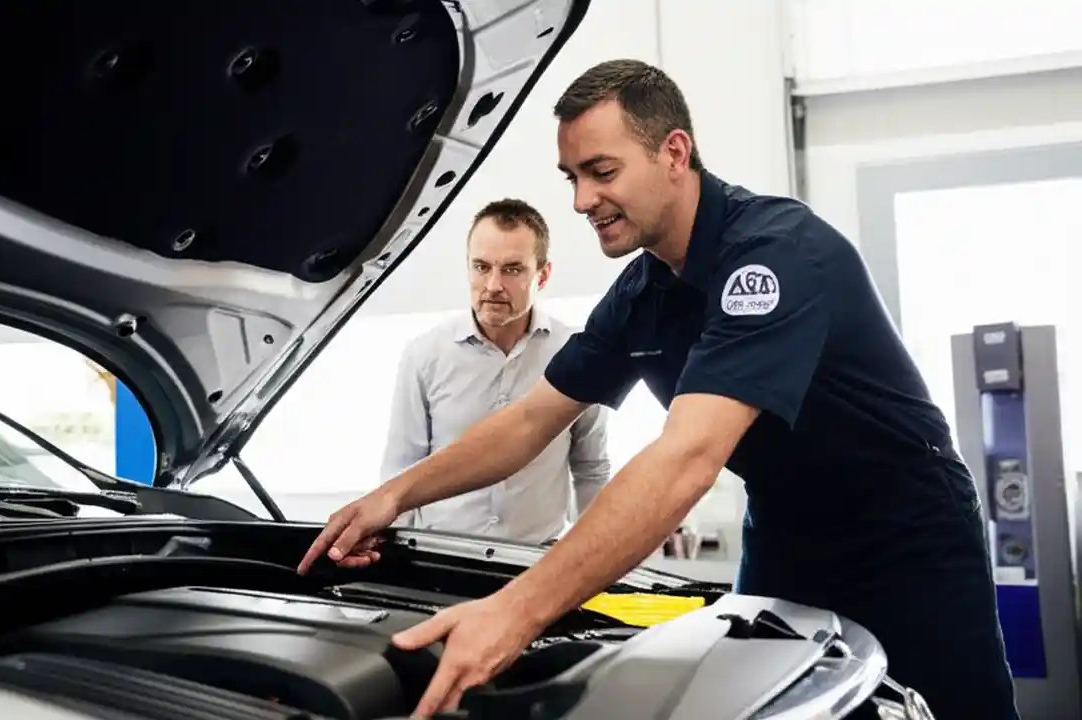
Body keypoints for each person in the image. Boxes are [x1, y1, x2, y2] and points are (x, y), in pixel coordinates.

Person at [298, 58, 1018, 720]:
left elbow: (687, 458)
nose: (582, 200)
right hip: (787, 526)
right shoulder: (640, 292)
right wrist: (392, 495)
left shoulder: (776, 255)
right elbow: (528, 422)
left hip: (904, 530)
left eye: (601, 171)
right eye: (571, 177)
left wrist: (517, 613)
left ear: (674, 153)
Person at [381, 198, 610, 544]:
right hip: (439, 554)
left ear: (543, 275)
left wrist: (593, 554)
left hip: (536, 559)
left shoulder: (576, 354)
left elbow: (591, 469)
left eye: (512, 269)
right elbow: (400, 473)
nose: (493, 285)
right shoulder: (425, 355)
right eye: (481, 267)